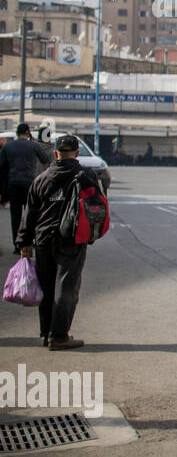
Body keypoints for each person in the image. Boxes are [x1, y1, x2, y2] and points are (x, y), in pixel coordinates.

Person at [17, 134, 102, 350]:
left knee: (45, 286)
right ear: (76, 153)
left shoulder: (41, 178)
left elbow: (29, 213)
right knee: (67, 287)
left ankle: (46, 333)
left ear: (55, 154)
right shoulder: (85, 176)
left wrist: (24, 242)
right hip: (71, 238)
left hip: (43, 239)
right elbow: (98, 208)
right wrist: (91, 234)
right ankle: (59, 335)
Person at [0, 123, 53, 254]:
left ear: (17, 133)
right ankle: (29, 242)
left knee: (15, 215)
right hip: (29, 183)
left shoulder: (8, 146)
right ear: (28, 133)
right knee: (30, 214)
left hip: (13, 183)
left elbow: (1, 165)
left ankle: (17, 246)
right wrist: (34, 143)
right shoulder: (33, 145)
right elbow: (45, 158)